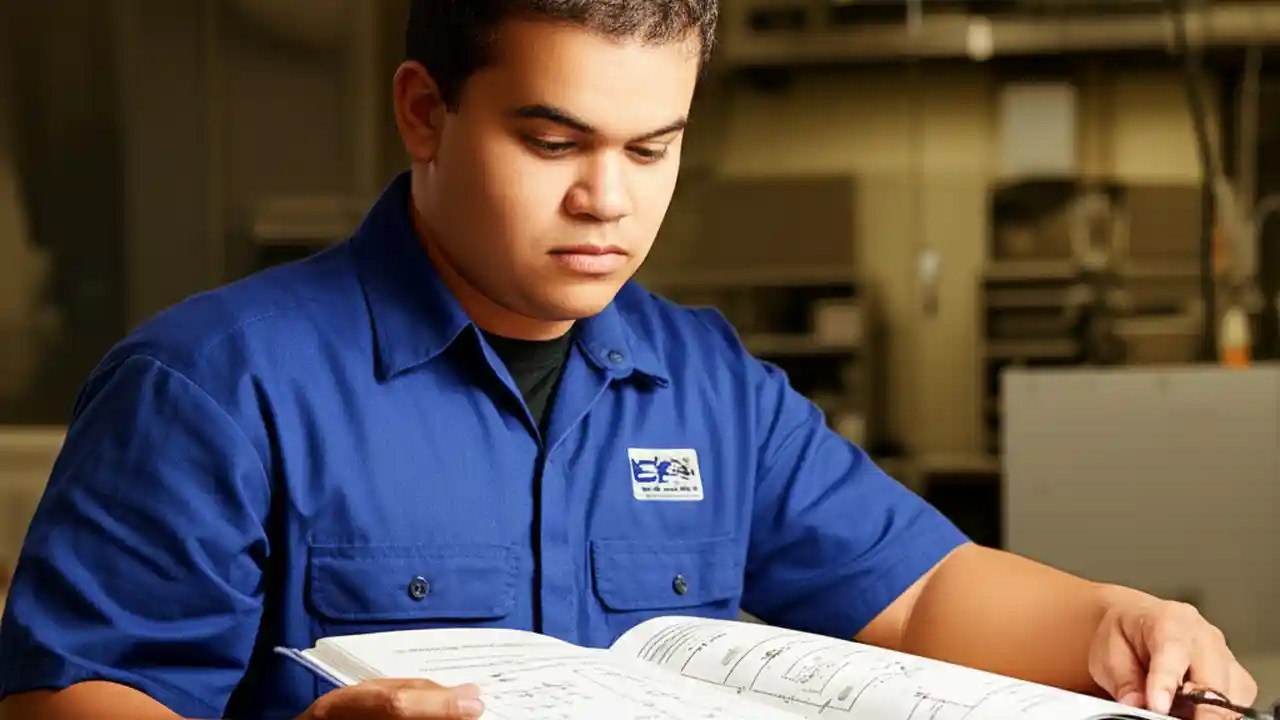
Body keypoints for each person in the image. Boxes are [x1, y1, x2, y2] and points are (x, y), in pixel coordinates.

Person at [0, 2, 1256, 719]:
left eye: (651, 149)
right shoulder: (215, 386)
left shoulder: (704, 382)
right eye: (554, 144)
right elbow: (74, 697)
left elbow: (920, 594)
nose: (607, 199)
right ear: (425, 112)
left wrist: (1116, 622)